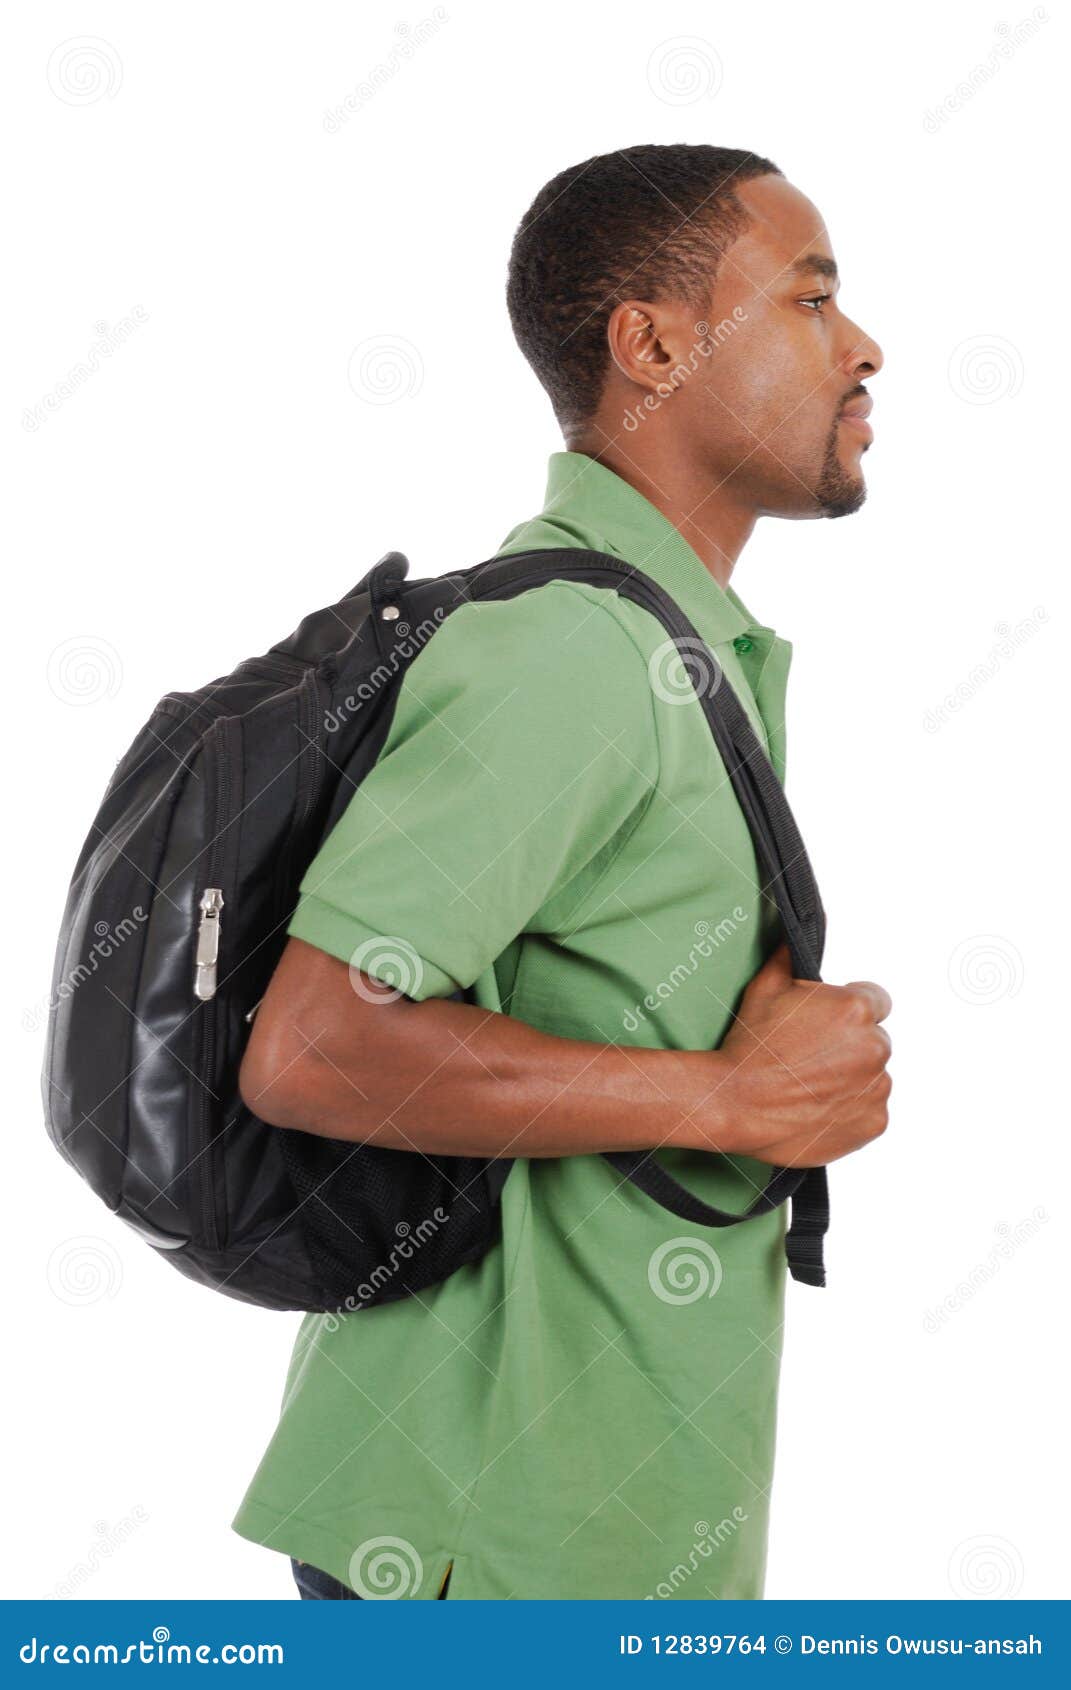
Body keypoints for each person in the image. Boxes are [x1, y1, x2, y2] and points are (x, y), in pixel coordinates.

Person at [233, 143, 893, 1601]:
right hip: (482, 1548)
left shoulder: (670, 641)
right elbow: (314, 1044)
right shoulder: (574, 652)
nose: (861, 347)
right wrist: (733, 1100)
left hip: (584, 1536)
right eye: (809, 300)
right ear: (652, 348)